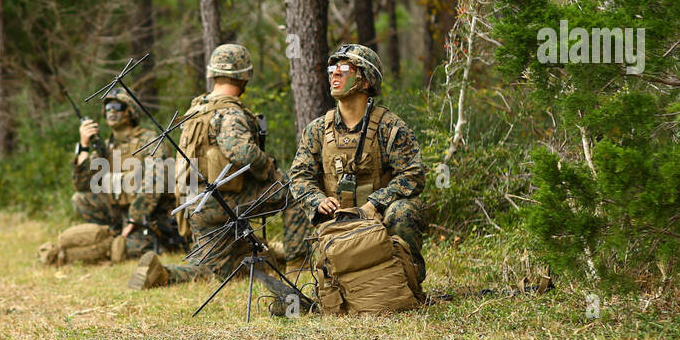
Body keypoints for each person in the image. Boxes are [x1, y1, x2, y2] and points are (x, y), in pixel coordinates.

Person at [130, 43, 310, 289]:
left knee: (214, 270)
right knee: (295, 190)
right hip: (224, 202)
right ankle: (301, 266)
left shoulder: (196, 110)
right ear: (244, 76)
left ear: (213, 73)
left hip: (195, 205)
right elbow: (243, 152)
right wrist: (269, 168)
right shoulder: (229, 112)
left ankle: (162, 275)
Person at [288, 43, 428, 284]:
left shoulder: (390, 127)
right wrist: (318, 201)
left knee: (404, 210)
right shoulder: (318, 130)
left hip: (379, 218)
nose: (335, 74)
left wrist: (376, 203)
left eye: (345, 68)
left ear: (365, 80)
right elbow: (299, 177)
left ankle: (406, 283)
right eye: (332, 69)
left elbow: (413, 174)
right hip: (337, 219)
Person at [71, 90, 177, 259]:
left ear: (130, 111)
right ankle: (113, 237)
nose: (111, 111)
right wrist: (84, 146)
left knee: (127, 249)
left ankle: (132, 241)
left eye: (117, 106)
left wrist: (134, 219)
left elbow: (154, 184)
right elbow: (82, 184)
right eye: (107, 107)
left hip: (152, 217)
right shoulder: (107, 147)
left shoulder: (149, 140)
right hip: (121, 214)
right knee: (80, 199)